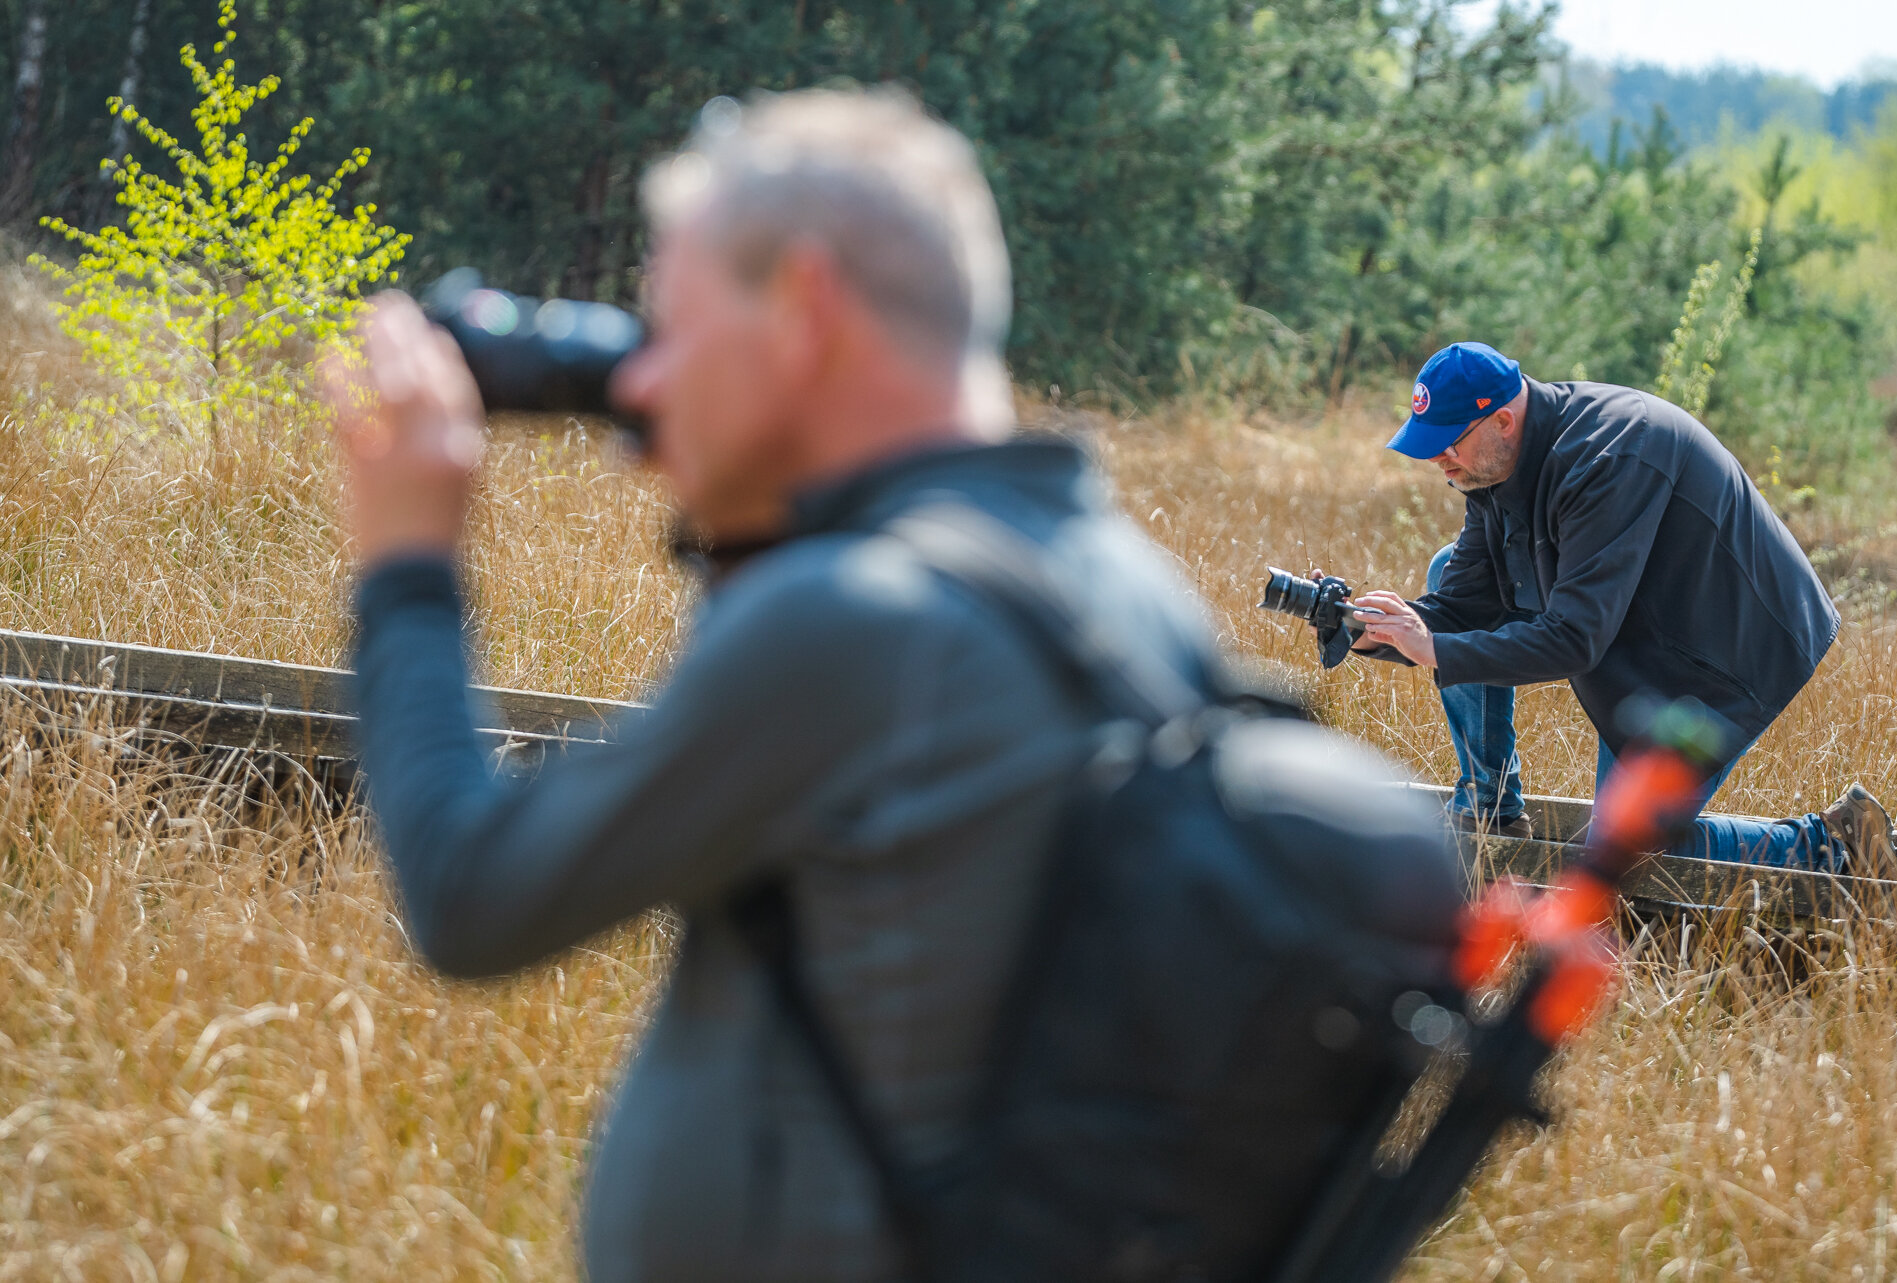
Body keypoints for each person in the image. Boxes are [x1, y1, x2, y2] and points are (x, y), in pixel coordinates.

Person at [331, 88, 1280, 1281]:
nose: (640, 380)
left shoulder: (864, 623)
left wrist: (408, 563)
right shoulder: (1116, 583)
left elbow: (472, 894)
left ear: (804, 306)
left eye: (668, 327)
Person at [1341, 341, 1897, 882]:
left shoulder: (1609, 454)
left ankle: (1831, 846)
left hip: (1724, 648)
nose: (1439, 460)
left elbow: (1574, 639)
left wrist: (1433, 646)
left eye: (1449, 442)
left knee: (1626, 860)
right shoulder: (1492, 465)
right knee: (1448, 568)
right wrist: (1368, 633)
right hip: (1639, 633)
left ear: (1502, 419)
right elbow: (1463, 601)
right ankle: (1489, 807)